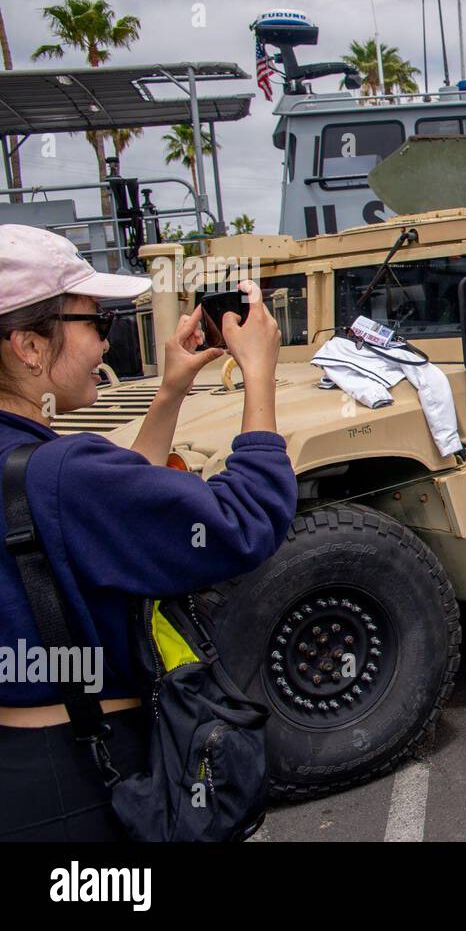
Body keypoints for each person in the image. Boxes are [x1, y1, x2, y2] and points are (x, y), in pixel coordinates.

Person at [0, 224, 297, 840]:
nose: (106, 347)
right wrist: (260, 377)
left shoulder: (36, 468)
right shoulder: (66, 473)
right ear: (29, 345)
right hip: (78, 774)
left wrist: (170, 392)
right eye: (97, 325)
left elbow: (108, 514)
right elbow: (247, 522)